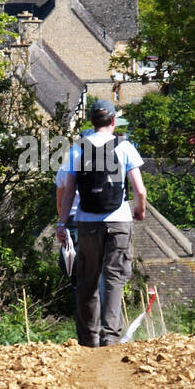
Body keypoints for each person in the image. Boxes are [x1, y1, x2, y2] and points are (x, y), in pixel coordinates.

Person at [55, 100, 146, 347]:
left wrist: (62, 224)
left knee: (88, 279)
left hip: (87, 222)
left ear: (92, 122)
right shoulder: (124, 146)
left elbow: (70, 190)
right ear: (113, 121)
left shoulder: (79, 148)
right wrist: (139, 210)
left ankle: (89, 338)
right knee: (114, 278)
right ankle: (110, 337)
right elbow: (139, 189)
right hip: (119, 221)